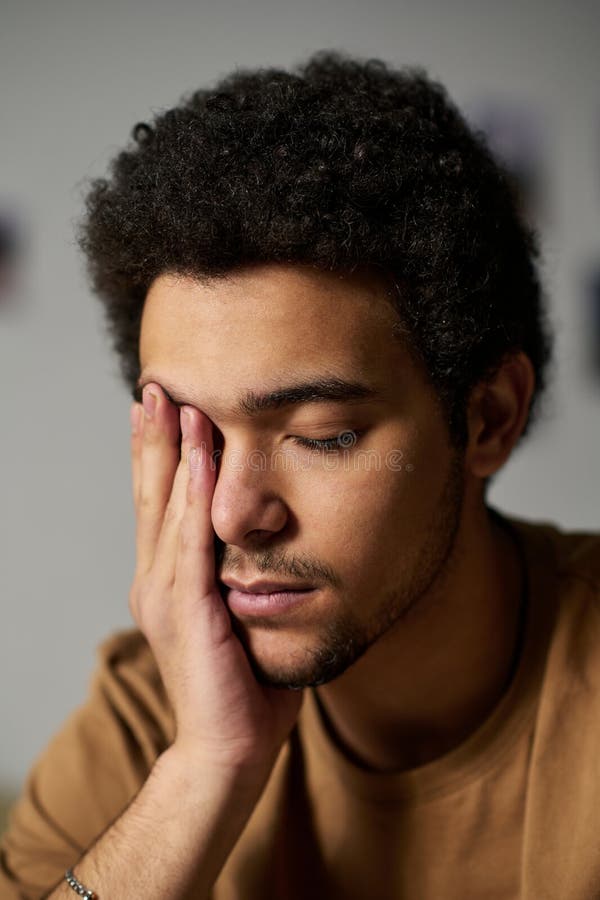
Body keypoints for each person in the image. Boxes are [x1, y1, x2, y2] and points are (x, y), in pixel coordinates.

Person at [1, 49, 599, 900]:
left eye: (321, 434)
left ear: (488, 418)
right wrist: (209, 766)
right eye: (195, 437)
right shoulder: (147, 724)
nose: (235, 514)